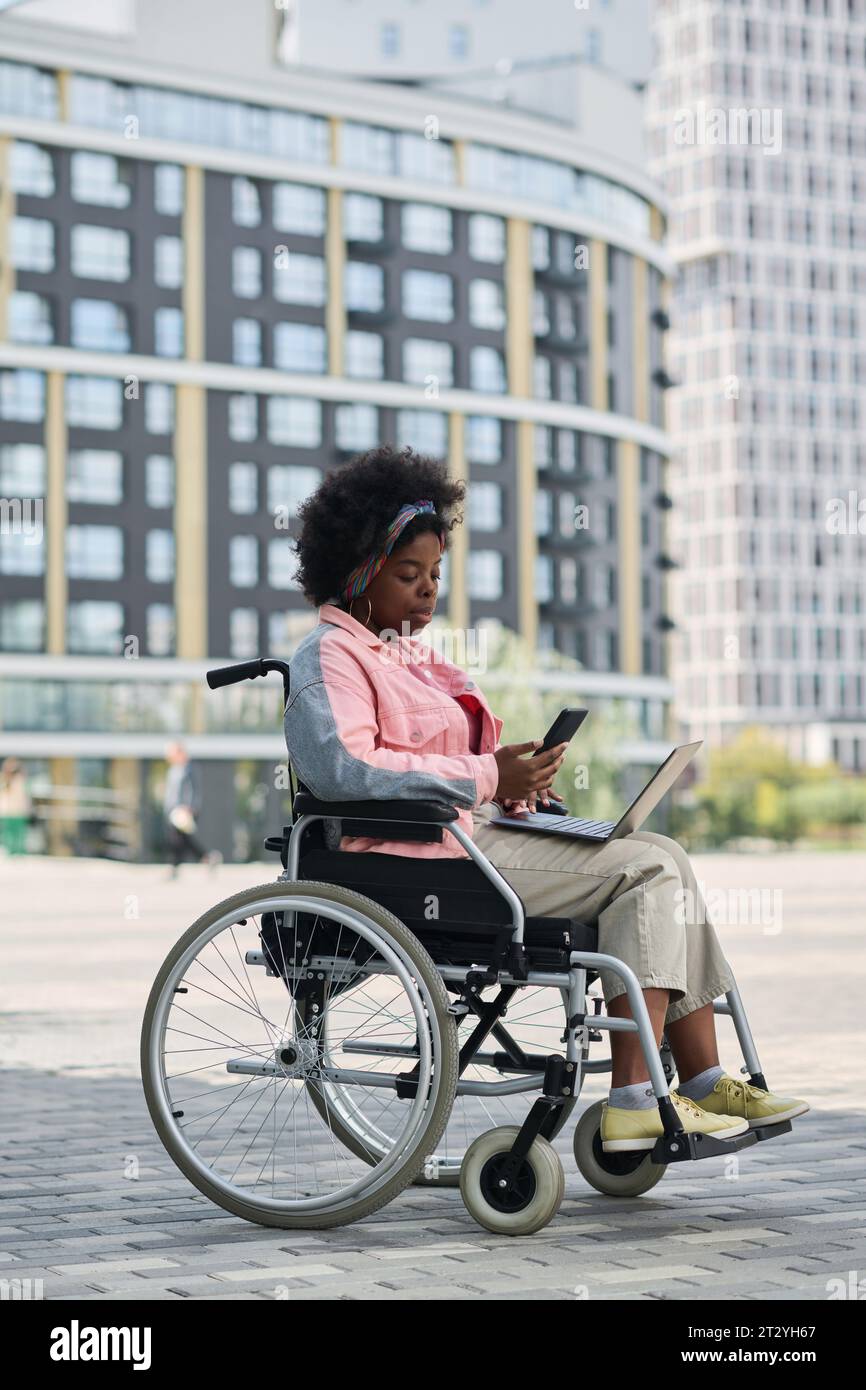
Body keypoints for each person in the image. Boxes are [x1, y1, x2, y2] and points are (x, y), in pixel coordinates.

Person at [286, 446, 809, 1151]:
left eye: (435, 574)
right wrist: (489, 778)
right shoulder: (329, 656)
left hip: (468, 841)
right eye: (408, 575)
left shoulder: (415, 660)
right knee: (645, 873)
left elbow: (458, 766)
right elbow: (347, 770)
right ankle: (635, 1101)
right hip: (409, 862)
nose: (428, 591)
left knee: (663, 854)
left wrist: (520, 789)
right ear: (357, 571)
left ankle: (705, 1078)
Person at [162, 742, 221, 877]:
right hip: (173, 811)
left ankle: (174, 867)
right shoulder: (173, 770)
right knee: (182, 839)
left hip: (184, 811)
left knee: (178, 839)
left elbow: (193, 789)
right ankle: (207, 858)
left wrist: (190, 807)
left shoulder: (190, 768)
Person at [0, 757, 31, 855]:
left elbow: (22, 794)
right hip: (6, 811)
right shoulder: (3, 779)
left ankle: (19, 850)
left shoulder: (20, 780)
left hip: (19, 811)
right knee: (7, 832)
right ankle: (10, 850)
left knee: (19, 832)